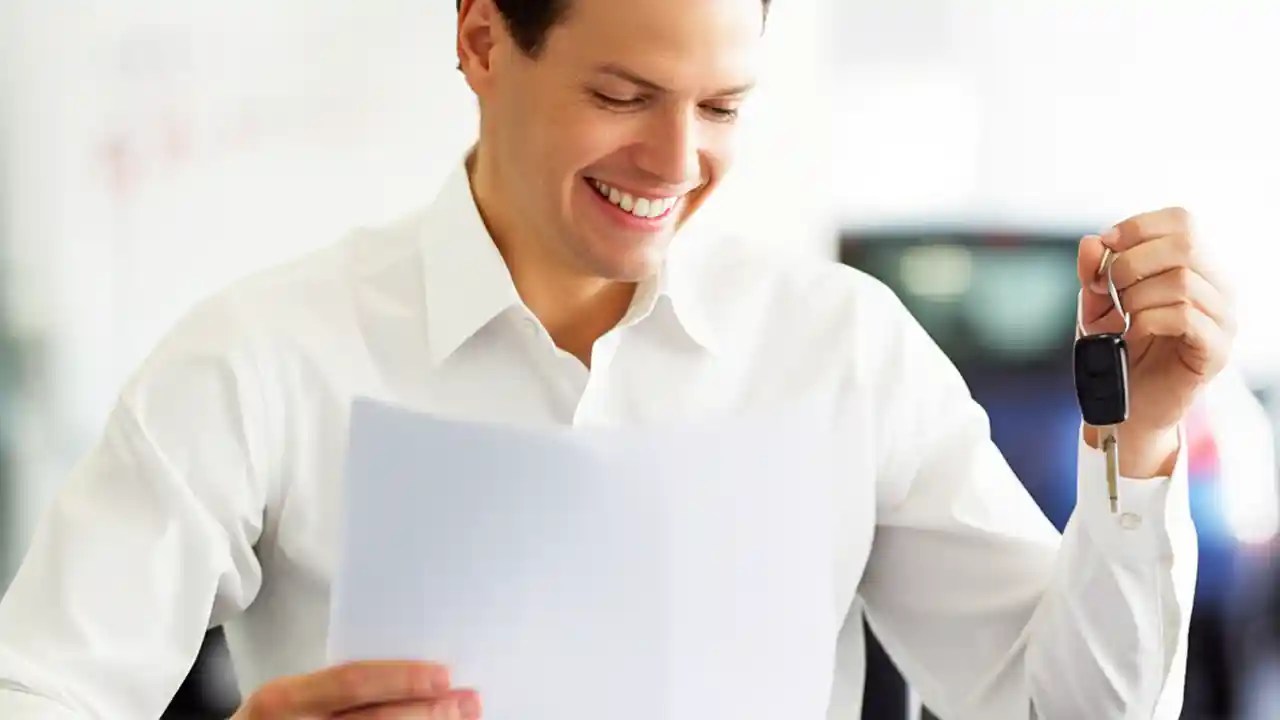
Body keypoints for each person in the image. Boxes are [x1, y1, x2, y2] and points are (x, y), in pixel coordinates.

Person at [0, 0, 1236, 718]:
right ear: (482, 42)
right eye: (621, 93)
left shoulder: (841, 351)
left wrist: (1139, 444)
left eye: (720, 108)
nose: (674, 161)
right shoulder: (256, 361)